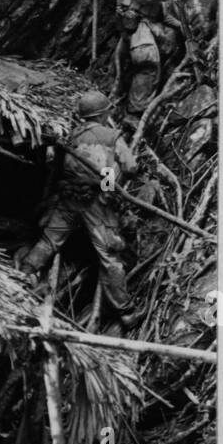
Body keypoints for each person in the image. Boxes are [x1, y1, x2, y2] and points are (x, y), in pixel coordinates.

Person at [18, 90, 142, 328]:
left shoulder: (71, 135)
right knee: (110, 256)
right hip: (97, 202)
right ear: (104, 113)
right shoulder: (111, 136)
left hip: (68, 197)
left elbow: (55, 163)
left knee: (49, 241)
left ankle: (22, 275)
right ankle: (126, 312)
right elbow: (130, 166)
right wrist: (112, 179)